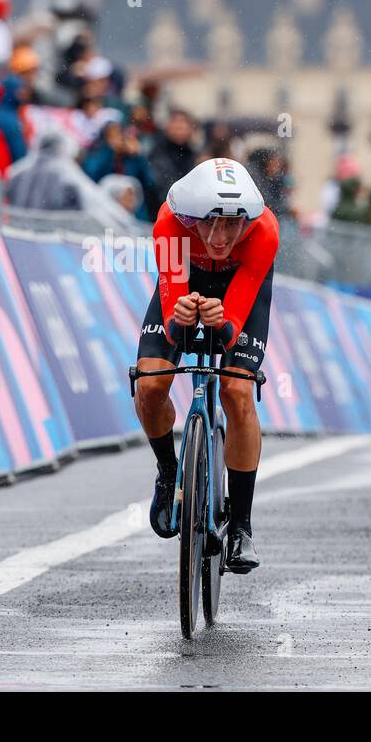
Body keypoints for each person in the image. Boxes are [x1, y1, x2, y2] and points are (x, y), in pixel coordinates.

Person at [133, 157, 280, 572]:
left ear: (248, 221)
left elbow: (235, 319)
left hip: (237, 294)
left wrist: (226, 323)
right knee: (150, 382)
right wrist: (180, 318)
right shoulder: (169, 224)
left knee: (237, 390)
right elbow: (170, 313)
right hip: (186, 286)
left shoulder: (264, 231)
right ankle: (168, 471)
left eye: (233, 225)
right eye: (210, 223)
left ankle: (241, 528)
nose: (219, 237)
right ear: (189, 217)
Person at [145, 108, 199, 220]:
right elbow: (161, 186)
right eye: (176, 127)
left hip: (184, 214)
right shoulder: (157, 152)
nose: (179, 131)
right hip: (162, 214)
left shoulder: (193, 154)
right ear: (168, 128)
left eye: (182, 127)